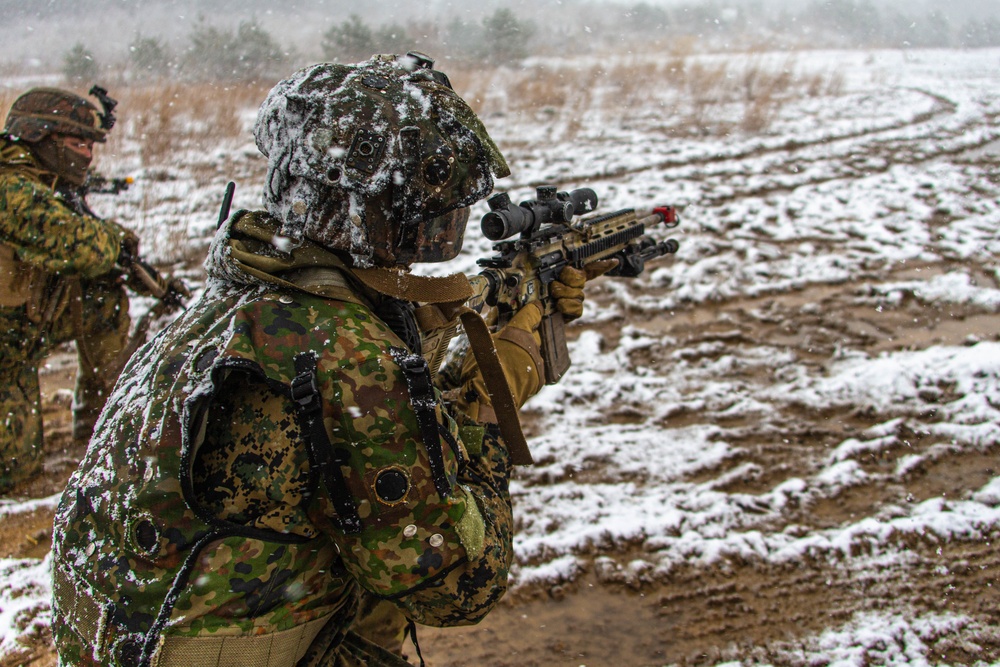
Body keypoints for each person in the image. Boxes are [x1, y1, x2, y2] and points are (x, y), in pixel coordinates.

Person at [51, 54, 602, 667]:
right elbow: (459, 587)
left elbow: (338, 414)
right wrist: (484, 413)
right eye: (434, 210)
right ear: (391, 214)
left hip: (117, 635)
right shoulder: (347, 356)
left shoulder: (240, 291)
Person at [0, 86, 137, 493]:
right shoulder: (11, 189)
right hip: (6, 350)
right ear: (40, 136)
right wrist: (116, 240)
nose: (87, 156)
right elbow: (85, 246)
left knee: (102, 296)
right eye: (78, 144)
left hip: (13, 332)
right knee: (13, 476)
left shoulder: (38, 179)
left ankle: (98, 420)